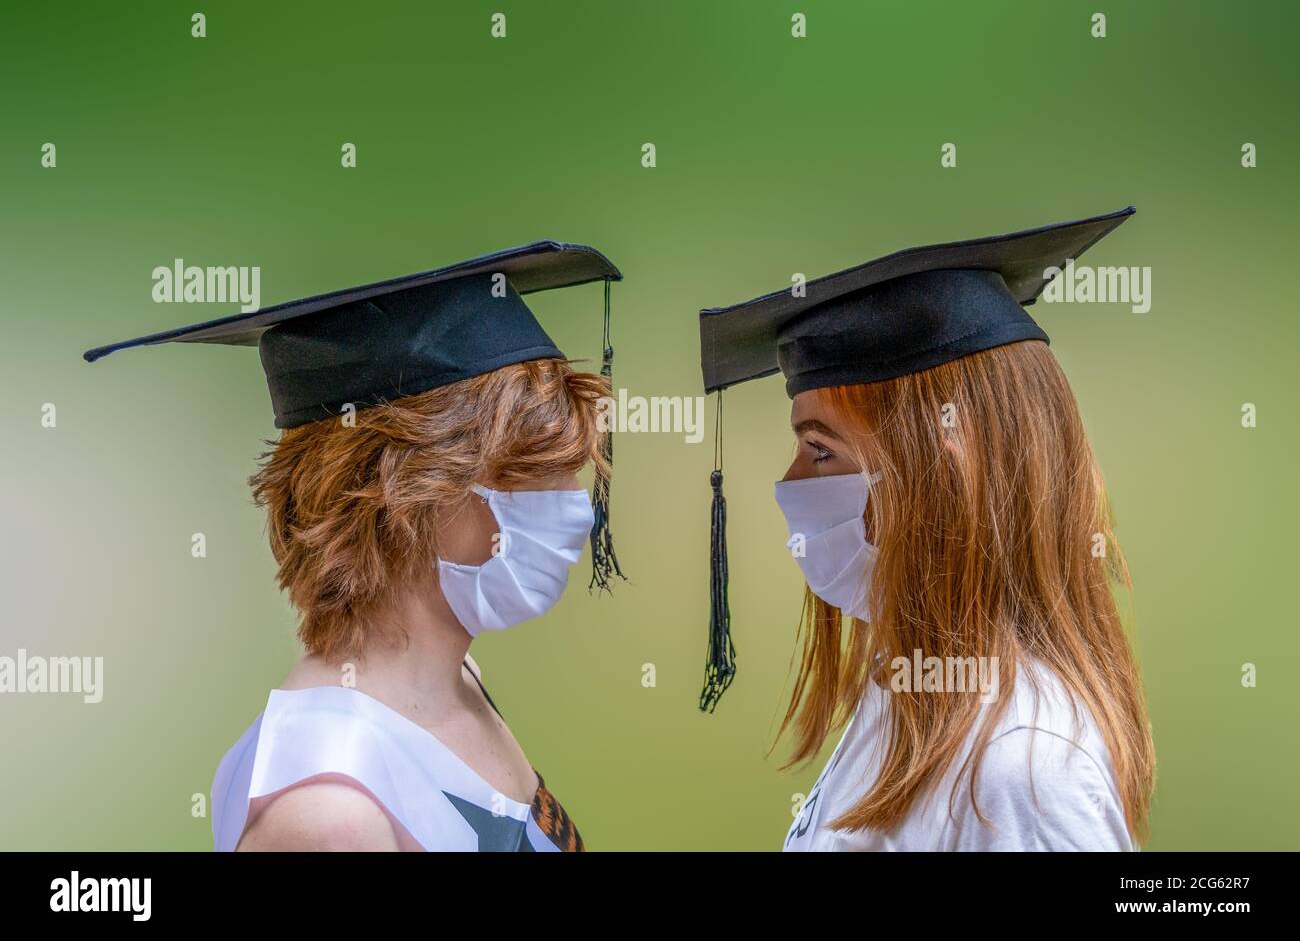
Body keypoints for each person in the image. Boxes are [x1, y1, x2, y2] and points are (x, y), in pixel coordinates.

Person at [85, 242, 624, 851]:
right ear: (408, 493)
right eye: (531, 472)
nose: (571, 501)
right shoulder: (329, 811)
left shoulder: (458, 681)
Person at [697, 208, 1155, 850]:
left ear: (941, 475)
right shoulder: (919, 691)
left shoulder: (1022, 769)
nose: (791, 483)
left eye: (822, 449)